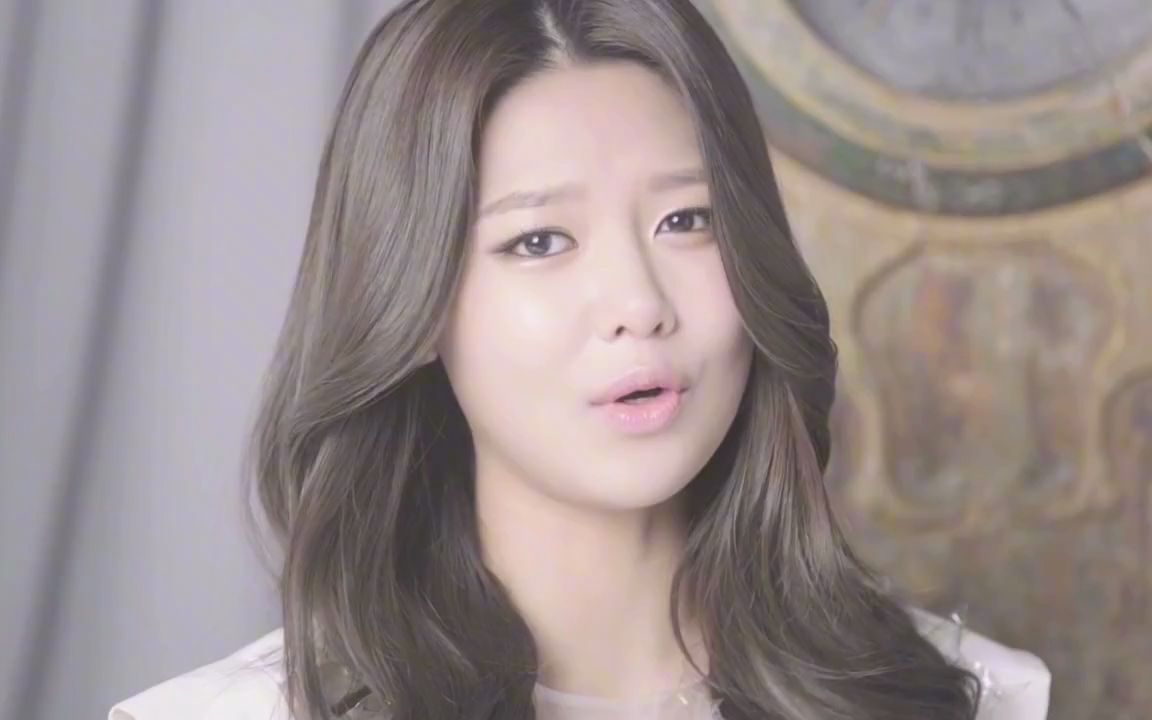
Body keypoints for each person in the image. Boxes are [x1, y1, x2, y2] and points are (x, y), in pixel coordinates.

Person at [109, 0, 1051, 718]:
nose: (638, 304)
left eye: (686, 220)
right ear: (413, 302)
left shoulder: (979, 699)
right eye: (539, 241)